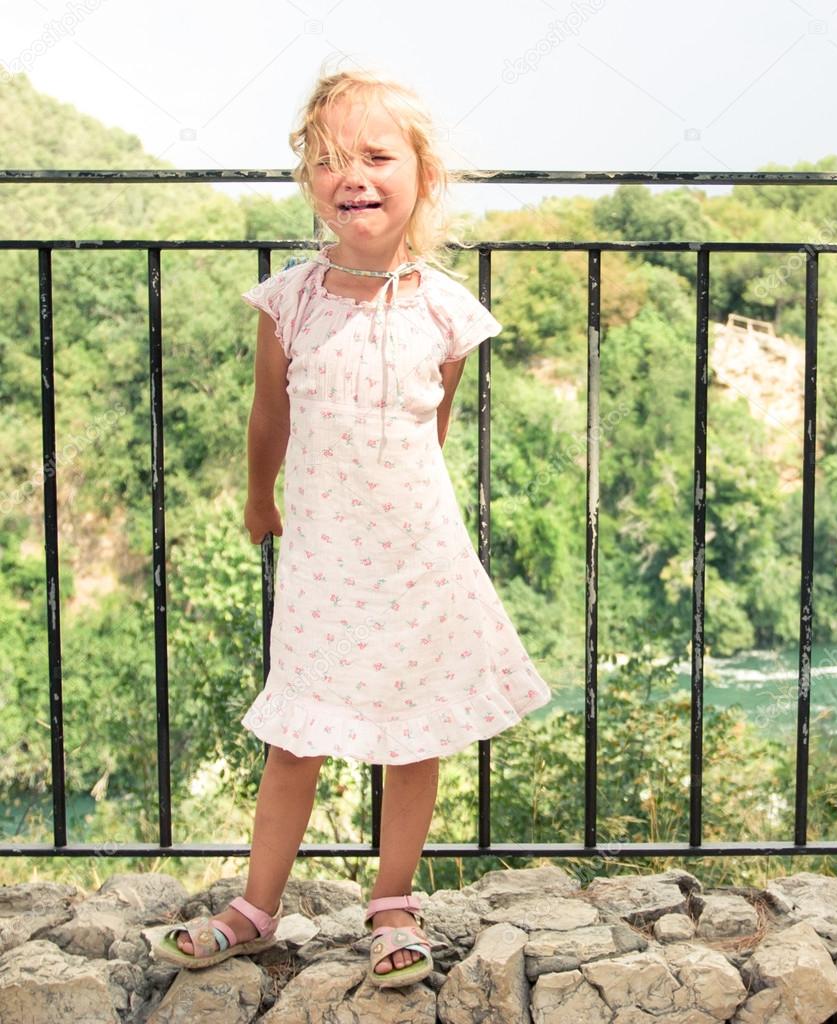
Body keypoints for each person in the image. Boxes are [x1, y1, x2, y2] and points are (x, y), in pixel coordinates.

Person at [146, 68, 552, 989]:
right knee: (295, 733)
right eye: (330, 159)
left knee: (413, 737)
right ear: (309, 180)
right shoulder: (290, 300)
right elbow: (269, 415)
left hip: (417, 557)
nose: (353, 175)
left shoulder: (445, 310)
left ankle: (393, 902)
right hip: (324, 560)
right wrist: (260, 498)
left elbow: (430, 432)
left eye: (376, 156)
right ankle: (255, 908)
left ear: (423, 174)